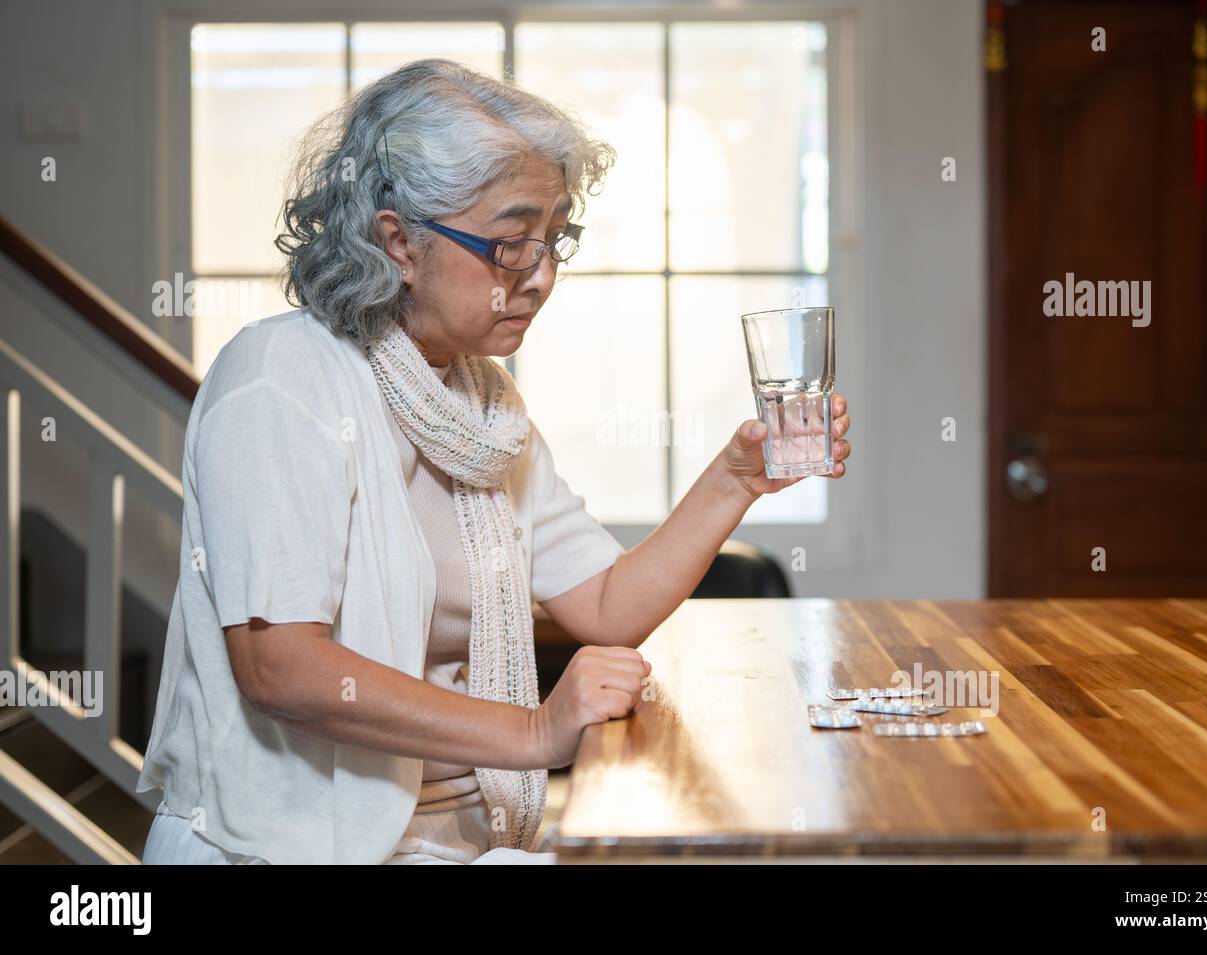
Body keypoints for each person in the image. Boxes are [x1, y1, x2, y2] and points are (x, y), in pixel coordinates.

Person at [136, 58, 851, 864]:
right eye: (511, 243)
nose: (541, 276)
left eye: (554, 239)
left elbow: (607, 605)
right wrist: (536, 730)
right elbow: (280, 665)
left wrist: (736, 481)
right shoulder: (282, 380)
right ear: (398, 239)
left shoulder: (483, 407)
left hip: (456, 838)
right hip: (289, 846)